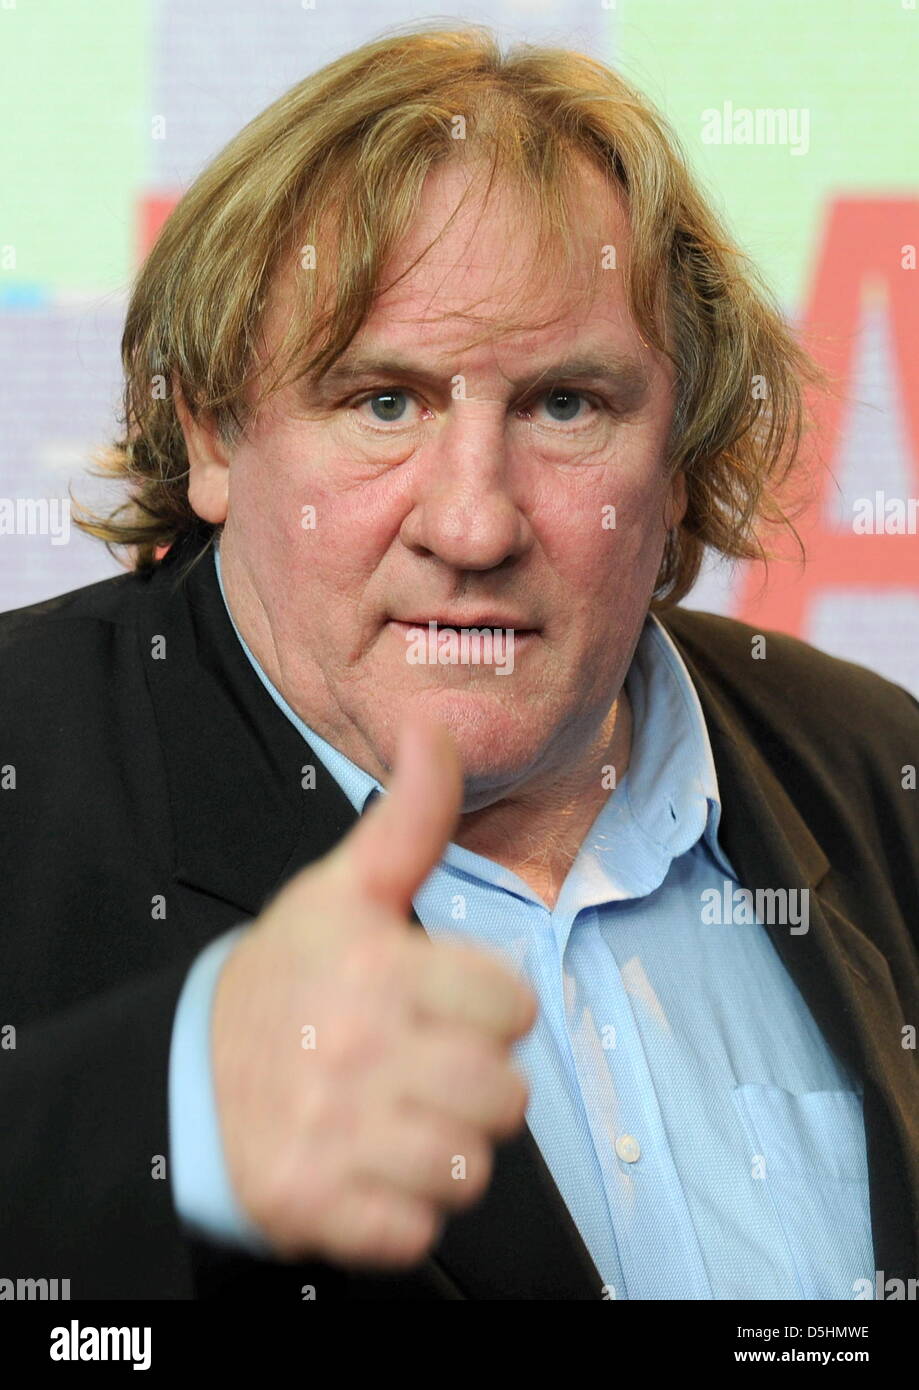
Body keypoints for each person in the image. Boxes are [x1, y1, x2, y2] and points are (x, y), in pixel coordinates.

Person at [1, 24, 916, 1302]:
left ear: (681, 458)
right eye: (384, 402)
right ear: (212, 431)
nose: (474, 523)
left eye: (565, 406)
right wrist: (169, 1124)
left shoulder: (882, 768)